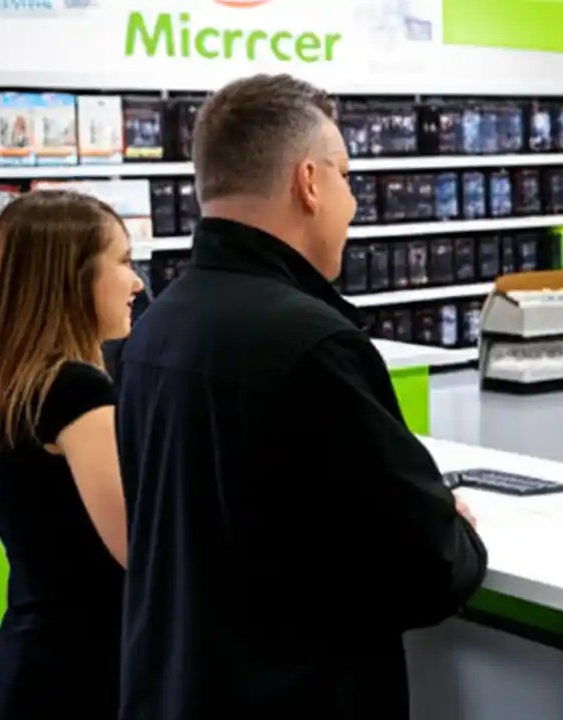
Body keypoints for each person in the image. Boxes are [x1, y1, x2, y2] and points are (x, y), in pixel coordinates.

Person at [113, 74, 488, 719]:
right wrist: (455, 526)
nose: (354, 205)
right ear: (308, 182)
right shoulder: (313, 346)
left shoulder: (154, 330)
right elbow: (426, 569)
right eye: (345, 178)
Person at [0, 190, 144, 719]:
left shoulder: (12, 387)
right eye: (124, 262)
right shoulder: (75, 392)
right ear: (73, 276)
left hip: (33, 662)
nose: (137, 283)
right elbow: (139, 544)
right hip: (82, 677)